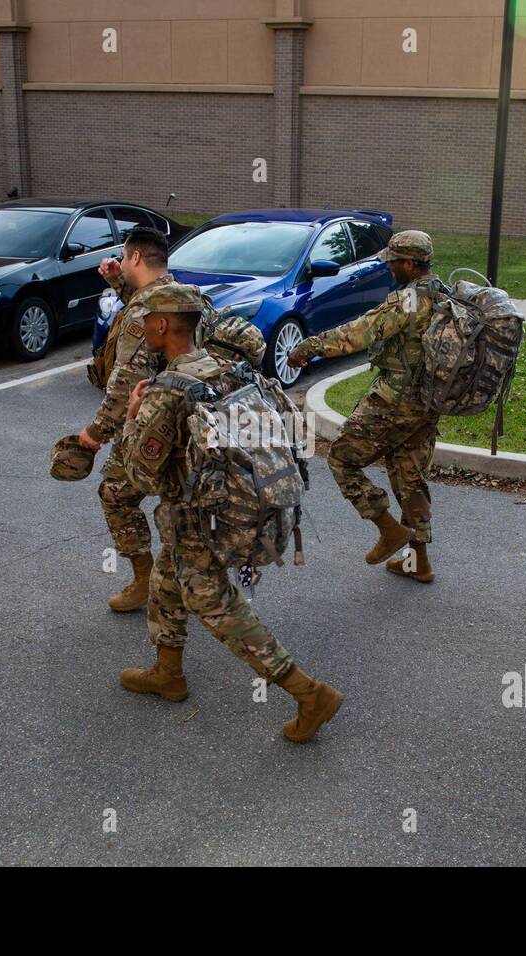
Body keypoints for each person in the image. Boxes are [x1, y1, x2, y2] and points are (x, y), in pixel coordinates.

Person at [117, 282, 342, 743]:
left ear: (162, 325)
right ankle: (168, 673)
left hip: (199, 520)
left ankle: (308, 693)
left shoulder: (169, 390)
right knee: (166, 580)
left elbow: (140, 477)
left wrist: (132, 416)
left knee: (213, 603)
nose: (141, 328)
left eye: (145, 322)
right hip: (238, 509)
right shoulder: (232, 371)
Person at [286, 230, 441, 583]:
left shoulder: (408, 301)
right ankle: (419, 562)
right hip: (429, 402)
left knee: (342, 458)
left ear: (409, 263)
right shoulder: (443, 295)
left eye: (393, 263)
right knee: (409, 475)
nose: (389, 269)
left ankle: (388, 529)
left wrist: (307, 348)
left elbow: (359, 333)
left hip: (395, 400)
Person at [79, 226, 180, 613]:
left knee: (116, 495)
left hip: (150, 421)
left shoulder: (142, 312)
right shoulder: (182, 295)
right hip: (190, 418)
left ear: (136, 257)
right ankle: (176, 581)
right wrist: (117, 282)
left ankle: (146, 581)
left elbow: (125, 385)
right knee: (179, 503)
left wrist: (93, 434)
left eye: (123, 257)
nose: (120, 263)